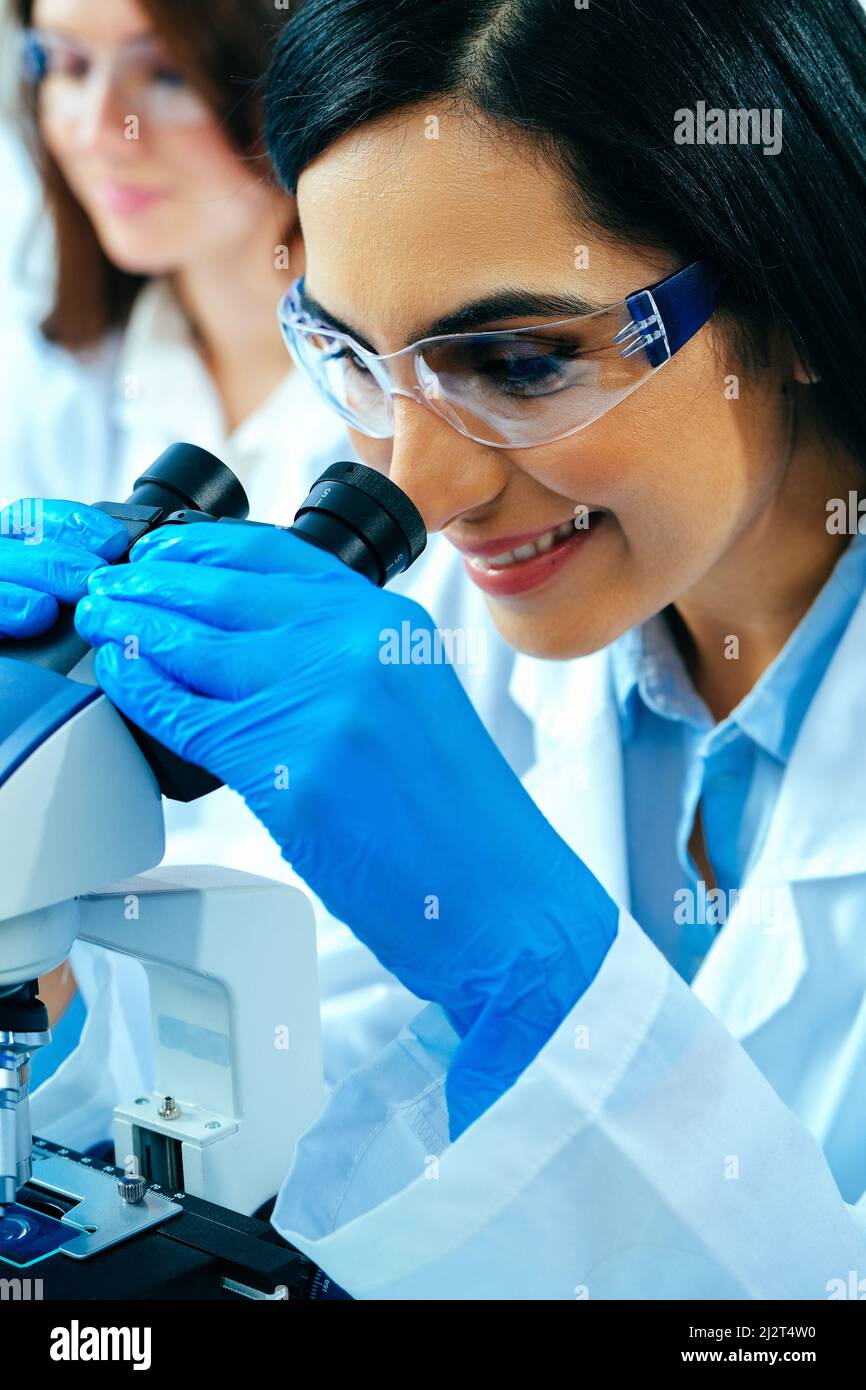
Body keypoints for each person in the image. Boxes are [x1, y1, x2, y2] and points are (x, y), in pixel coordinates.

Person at [6, 0, 866, 1297]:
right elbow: (294, 1082)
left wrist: (532, 966)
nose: (422, 486)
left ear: (792, 294)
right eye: (351, 353)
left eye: (518, 363)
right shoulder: (475, 623)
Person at [0, 0, 531, 1131]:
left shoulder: (459, 465)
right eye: (63, 64)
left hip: (315, 1063)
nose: (102, 127)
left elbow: (382, 993)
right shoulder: (45, 373)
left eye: (167, 78)